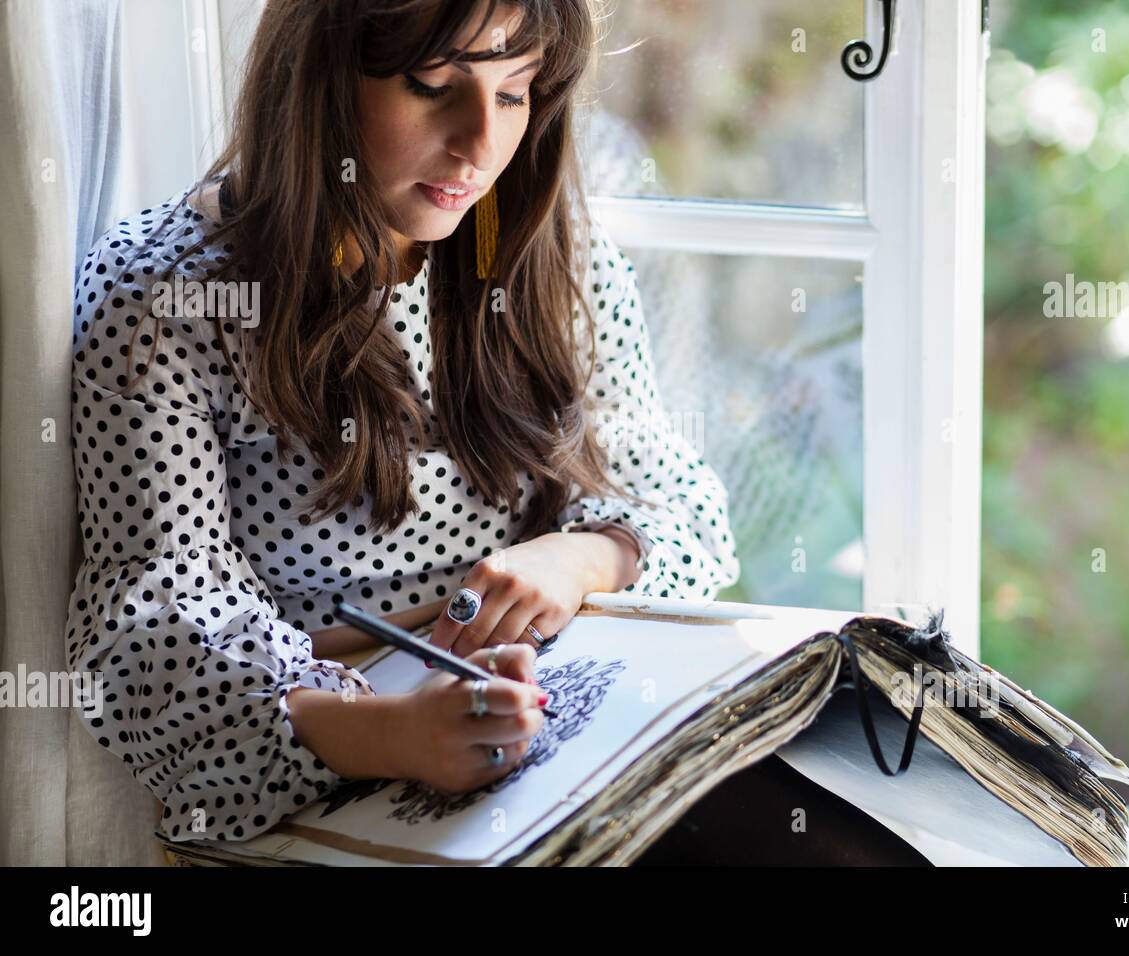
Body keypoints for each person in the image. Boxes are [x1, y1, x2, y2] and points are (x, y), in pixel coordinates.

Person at [67, 0, 739, 846]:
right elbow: (150, 630)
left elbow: (679, 502)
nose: (480, 148)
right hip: (318, 774)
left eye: (514, 93)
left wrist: (579, 557)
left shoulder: (547, 256)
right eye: (432, 87)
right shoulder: (163, 302)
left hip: (555, 736)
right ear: (317, 81)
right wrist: (392, 731)